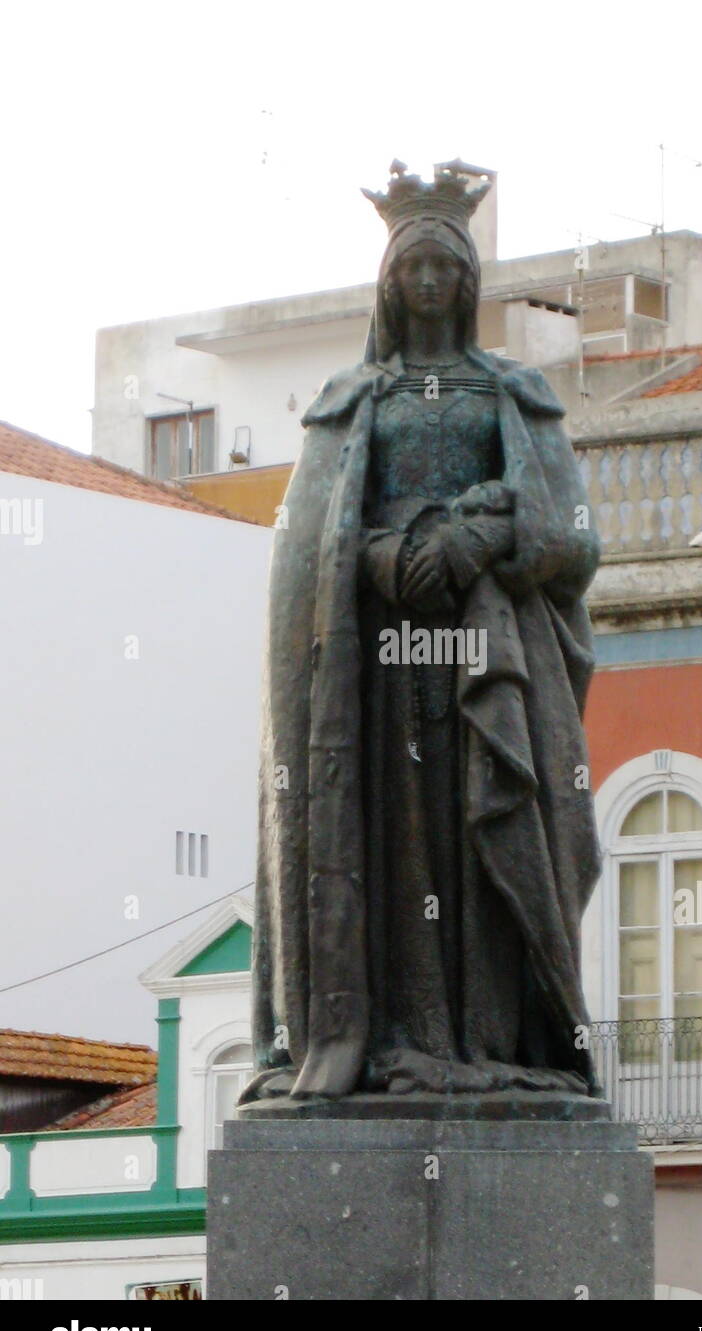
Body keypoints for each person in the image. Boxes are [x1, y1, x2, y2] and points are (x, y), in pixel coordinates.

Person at [245, 163, 602, 1103]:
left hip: (485, 660)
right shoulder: (351, 401)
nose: (432, 282)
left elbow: (569, 530)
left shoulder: (512, 393)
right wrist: (380, 558)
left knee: (485, 830)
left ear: (468, 278)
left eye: (446, 263)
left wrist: (479, 536)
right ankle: (398, 1030)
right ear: (392, 282)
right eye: (415, 266)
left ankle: (489, 1039)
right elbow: (310, 546)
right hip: (376, 673)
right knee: (393, 846)